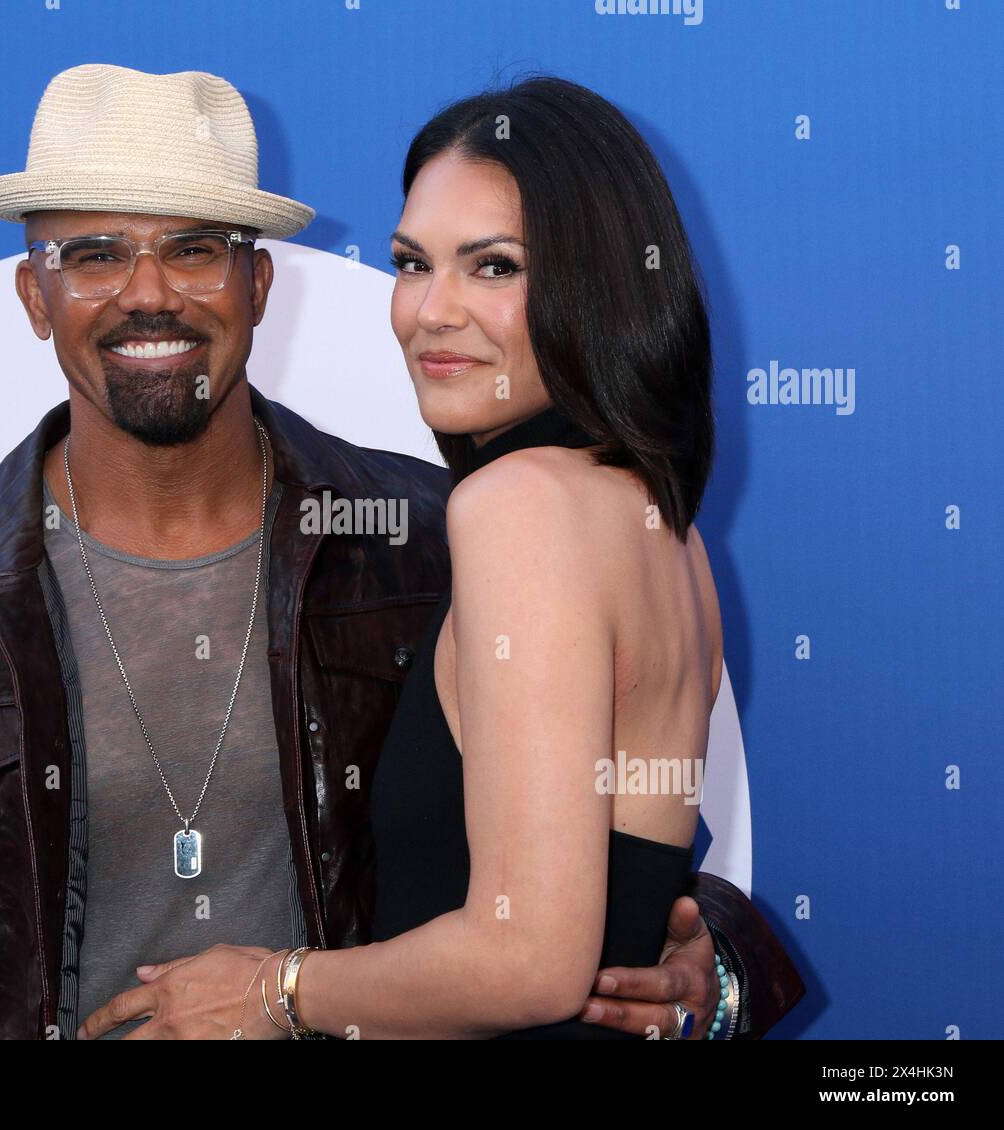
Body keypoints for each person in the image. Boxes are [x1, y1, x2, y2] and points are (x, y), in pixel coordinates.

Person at [0, 64, 800, 1040]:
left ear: (258, 284)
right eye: (95, 252)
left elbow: (577, 876)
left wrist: (713, 966)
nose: (149, 291)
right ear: (35, 297)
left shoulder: (426, 542)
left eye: (195, 247)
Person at [76, 74, 752, 1041]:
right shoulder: (652, 518)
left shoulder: (519, 507)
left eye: (493, 267)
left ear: (600, 281)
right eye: (411, 263)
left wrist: (268, 991)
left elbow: (529, 963)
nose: (429, 312)